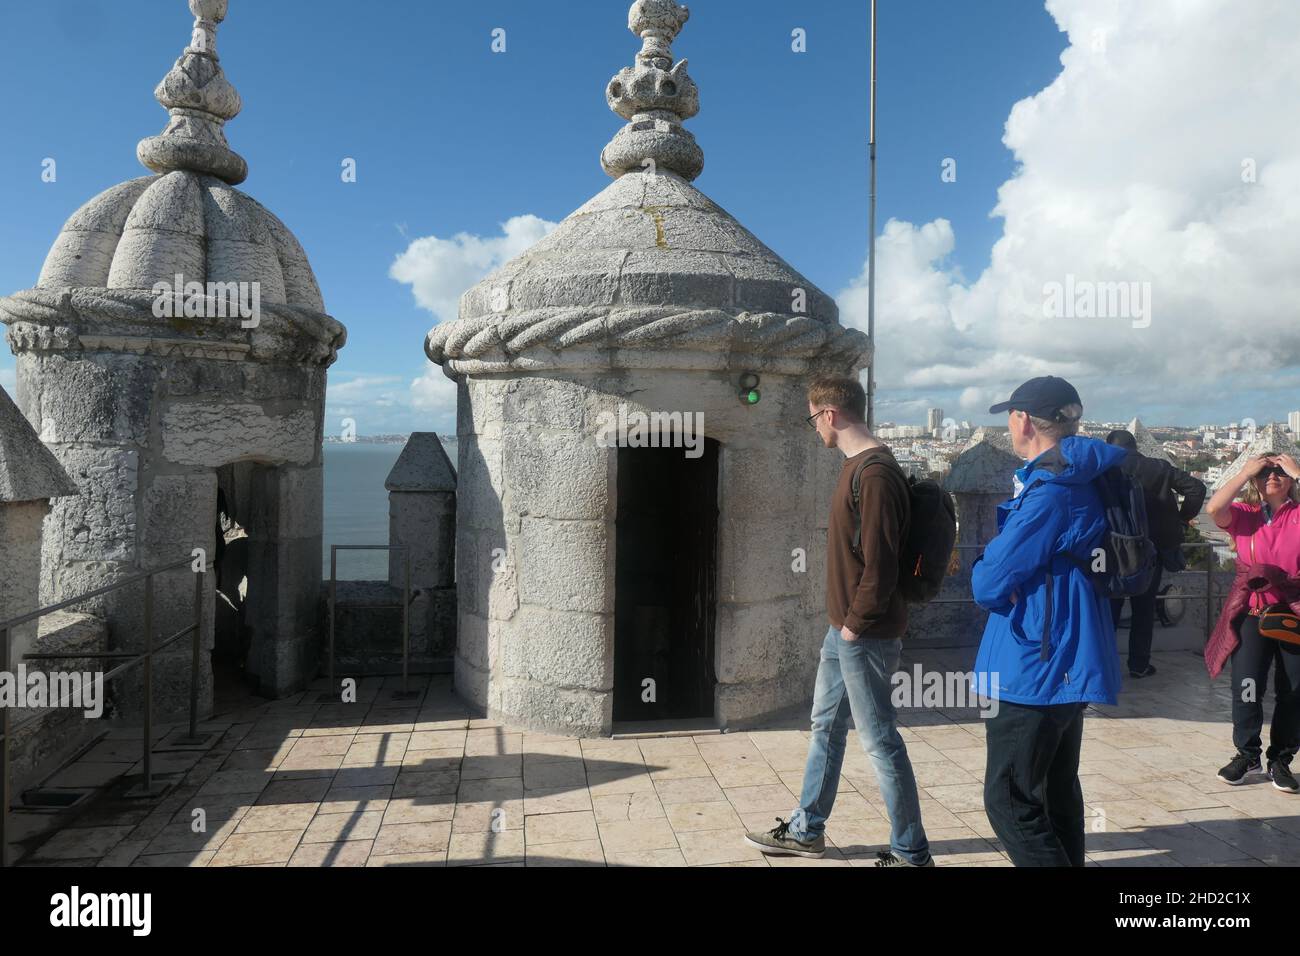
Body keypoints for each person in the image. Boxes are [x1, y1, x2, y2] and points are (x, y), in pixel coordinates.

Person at [743, 376, 932, 867]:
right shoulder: (858, 468)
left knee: (881, 741)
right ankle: (807, 829)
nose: (815, 430)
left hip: (862, 634)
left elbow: (882, 564)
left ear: (830, 414)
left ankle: (912, 854)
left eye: (814, 419)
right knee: (826, 727)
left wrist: (853, 626)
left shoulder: (874, 475)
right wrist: (842, 628)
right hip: (844, 631)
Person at [971, 376, 1125, 866]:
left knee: (1009, 799)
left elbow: (989, 582)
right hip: (1066, 655)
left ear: (1022, 420)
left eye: (1010, 417)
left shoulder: (1050, 490)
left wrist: (988, 566)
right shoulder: (1076, 476)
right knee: (1058, 790)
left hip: (1036, 663)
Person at [1204, 453, 1300, 793]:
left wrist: (1296, 470)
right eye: (1265, 473)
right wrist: (1246, 471)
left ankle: (1281, 759)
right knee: (1246, 687)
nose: (1271, 477)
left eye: (1278, 472)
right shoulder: (1246, 516)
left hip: (1293, 614)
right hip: (1253, 614)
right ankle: (1247, 754)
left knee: (1293, 691)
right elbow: (1214, 508)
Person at [1103, 430, 1207, 678]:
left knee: (1109, 610)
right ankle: (1139, 665)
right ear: (1136, 446)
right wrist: (1181, 519)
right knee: (1144, 608)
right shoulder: (1158, 467)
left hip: (1115, 549)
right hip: (1152, 549)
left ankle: (1103, 667)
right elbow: (1197, 489)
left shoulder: (1105, 469)